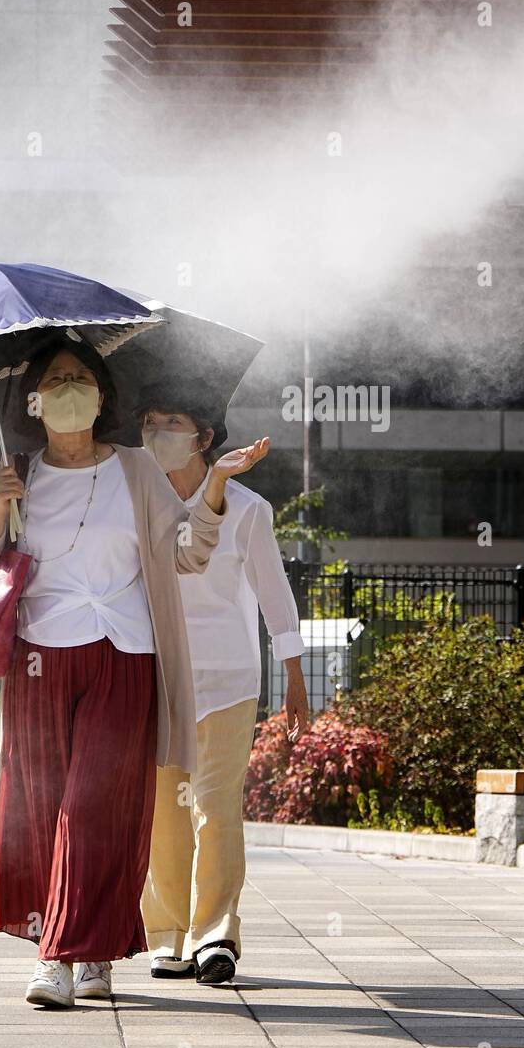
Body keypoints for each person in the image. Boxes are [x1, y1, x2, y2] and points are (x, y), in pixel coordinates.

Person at [0, 335, 269, 1008]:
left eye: (82, 377)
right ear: (34, 401)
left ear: (102, 396)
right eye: (56, 379)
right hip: (40, 658)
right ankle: (94, 948)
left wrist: (214, 489)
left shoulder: (135, 470)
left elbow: (187, 553)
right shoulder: (17, 473)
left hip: (124, 654)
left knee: (94, 805)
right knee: (44, 810)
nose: (70, 387)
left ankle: (59, 959)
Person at [136, 380, 310, 984]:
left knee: (215, 807)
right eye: (150, 421)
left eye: (172, 420)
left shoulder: (249, 509)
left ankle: (215, 936)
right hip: (156, 679)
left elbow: (273, 595)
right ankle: (169, 936)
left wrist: (294, 677)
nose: (159, 432)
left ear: (204, 437)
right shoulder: (141, 503)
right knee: (164, 811)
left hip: (229, 679)